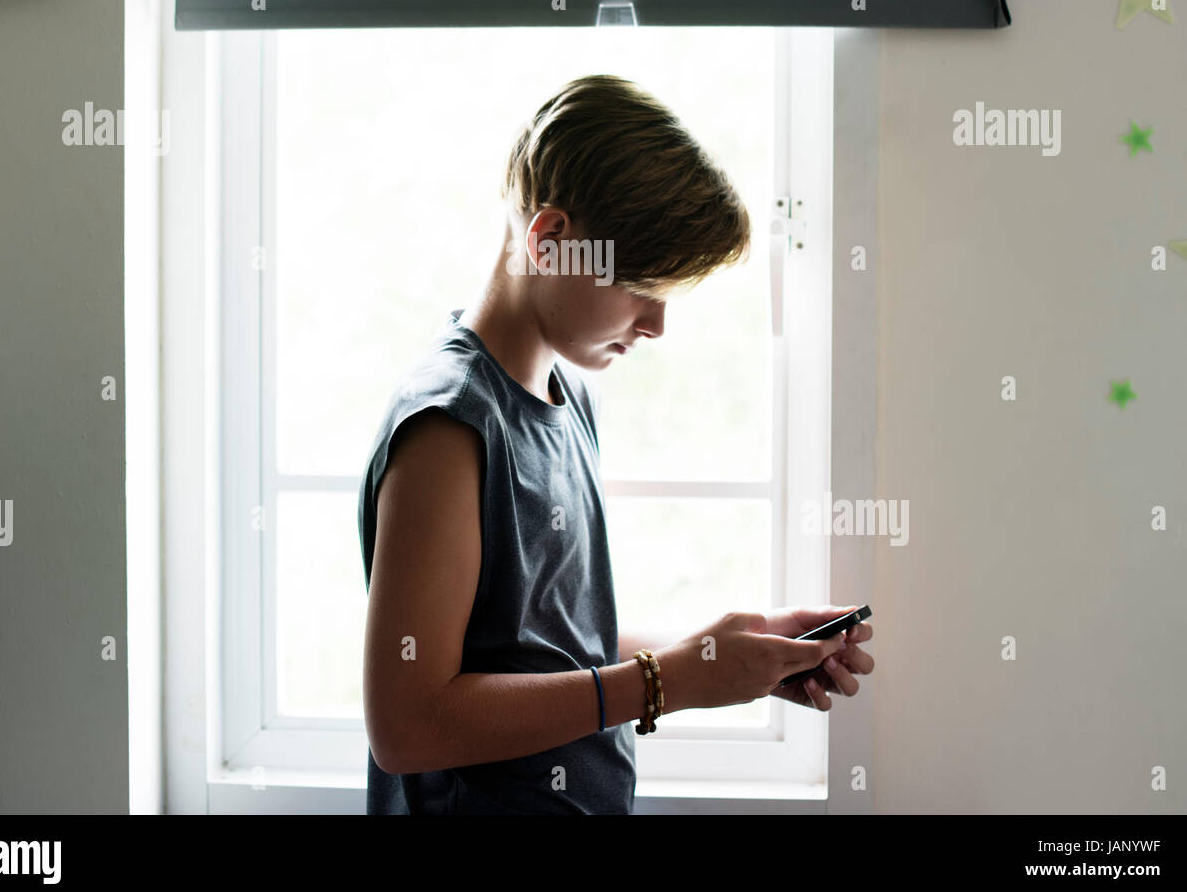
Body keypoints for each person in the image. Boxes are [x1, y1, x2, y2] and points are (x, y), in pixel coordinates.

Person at [358, 74, 874, 814]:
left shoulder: (569, 403)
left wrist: (732, 656)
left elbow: (547, 646)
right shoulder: (449, 428)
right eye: (641, 286)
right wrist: (669, 682)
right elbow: (407, 726)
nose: (658, 325)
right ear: (551, 241)